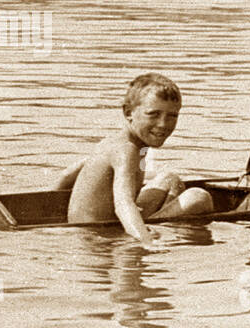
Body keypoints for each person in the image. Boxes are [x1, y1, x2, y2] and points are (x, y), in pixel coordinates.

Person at [55, 73, 213, 247]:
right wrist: (146, 241)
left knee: (170, 179)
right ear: (128, 113)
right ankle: (152, 228)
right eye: (153, 114)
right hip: (100, 235)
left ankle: (155, 223)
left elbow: (65, 175)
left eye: (172, 116)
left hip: (102, 225)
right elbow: (124, 204)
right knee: (199, 197)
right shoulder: (127, 150)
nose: (163, 124)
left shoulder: (116, 143)